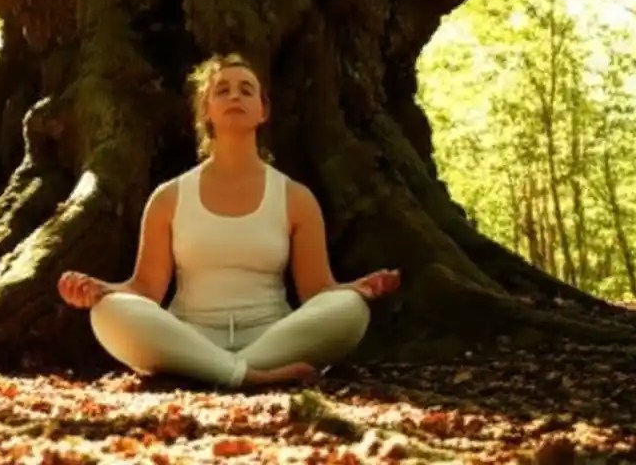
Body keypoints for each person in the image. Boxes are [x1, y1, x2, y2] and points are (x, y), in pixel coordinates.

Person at [57, 53, 400, 387]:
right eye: (223, 90)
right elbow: (145, 289)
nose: (235, 96)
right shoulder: (169, 197)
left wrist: (354, 289)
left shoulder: (295, 197)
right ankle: (246, 375)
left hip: (272, 339)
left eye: (246, 90)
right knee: (107, 312)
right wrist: (101, 290)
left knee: (352, 309)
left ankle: (219, 370)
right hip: (189, 336)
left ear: (263, 110)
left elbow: (316, 291)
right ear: (206, 110)